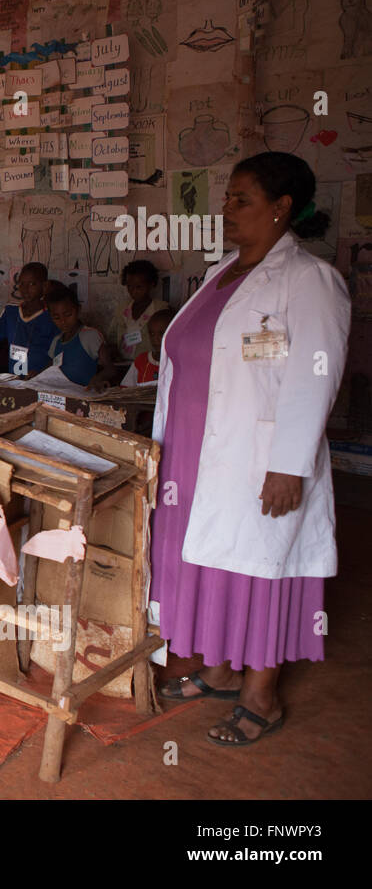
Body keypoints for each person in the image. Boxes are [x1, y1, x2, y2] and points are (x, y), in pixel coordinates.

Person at [151, 152, 349, 746]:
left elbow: (316, 376)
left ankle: (260, 695)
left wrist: (288, 465)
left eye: (242, 199)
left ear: (282, 208)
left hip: (257, 458)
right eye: (228, 197)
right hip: (194, 453)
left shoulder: (308, 279)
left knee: (263, 565)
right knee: (208, 559)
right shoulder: (224, 271)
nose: (227, 209)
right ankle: (216, 669)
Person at [0, 262, 54, 376]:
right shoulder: (10, 311)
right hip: (14, 378)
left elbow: (58, 354)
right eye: (21, 283)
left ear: (45, 286)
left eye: (32, 284)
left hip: (40, 380)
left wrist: (41, 373)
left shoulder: (52, 317)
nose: (25, 289)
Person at [41, 286, 117, 390]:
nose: (63, 321)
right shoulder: (56, 341)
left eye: (68, 315)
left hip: (84, 396)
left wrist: (98, 378)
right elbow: (49, 370)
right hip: (61, 397)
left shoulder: (90, 335)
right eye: (57, 317)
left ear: (78, 309)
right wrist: (37, 376)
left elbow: (110, 369)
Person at [110, 259, 169, 366]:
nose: (133, 291)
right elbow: (113, 337)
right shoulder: (122, 309)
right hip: (123, 364)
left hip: (149, 364)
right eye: (129, 286)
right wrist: (115, 353)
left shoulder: (160, 309)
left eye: (139, 287)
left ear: (151, 285)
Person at [120, 308, 173, 386]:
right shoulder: (141, 361)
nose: (155, 339)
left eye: (161, 333)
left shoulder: (179, 363)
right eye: (152, 334)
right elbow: (125, 389)